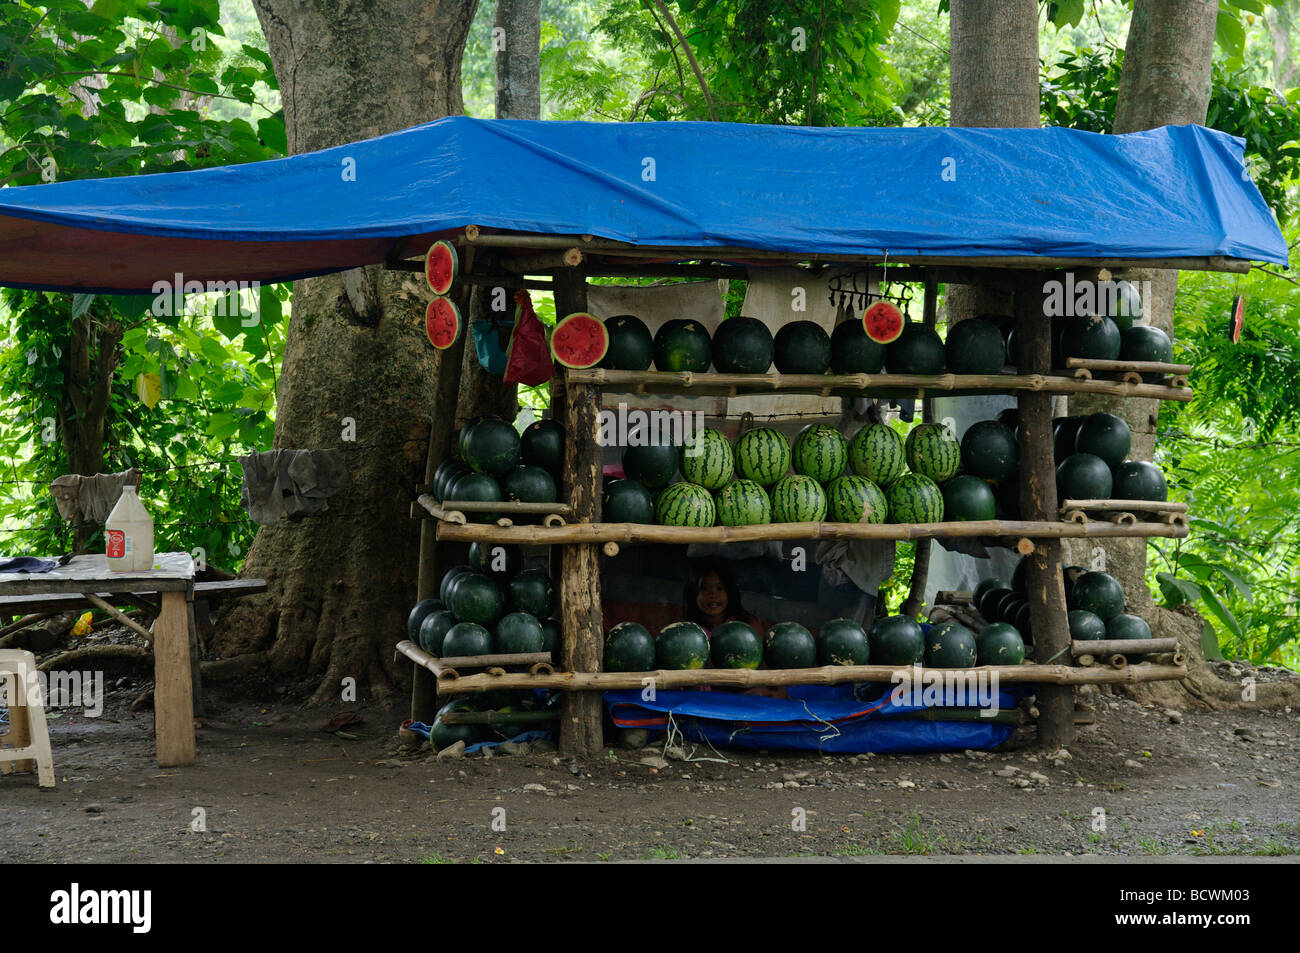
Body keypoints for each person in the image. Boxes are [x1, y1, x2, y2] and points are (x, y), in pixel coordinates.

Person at [682, 558, 785, 698]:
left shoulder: (748, 625)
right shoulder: (690, 633)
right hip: (707, 697)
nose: (712, 595)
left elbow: (767, 668)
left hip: (746, 694)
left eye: (720, 588)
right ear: (693, 594)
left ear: (730, 592)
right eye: (704, 589)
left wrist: (770, 691)